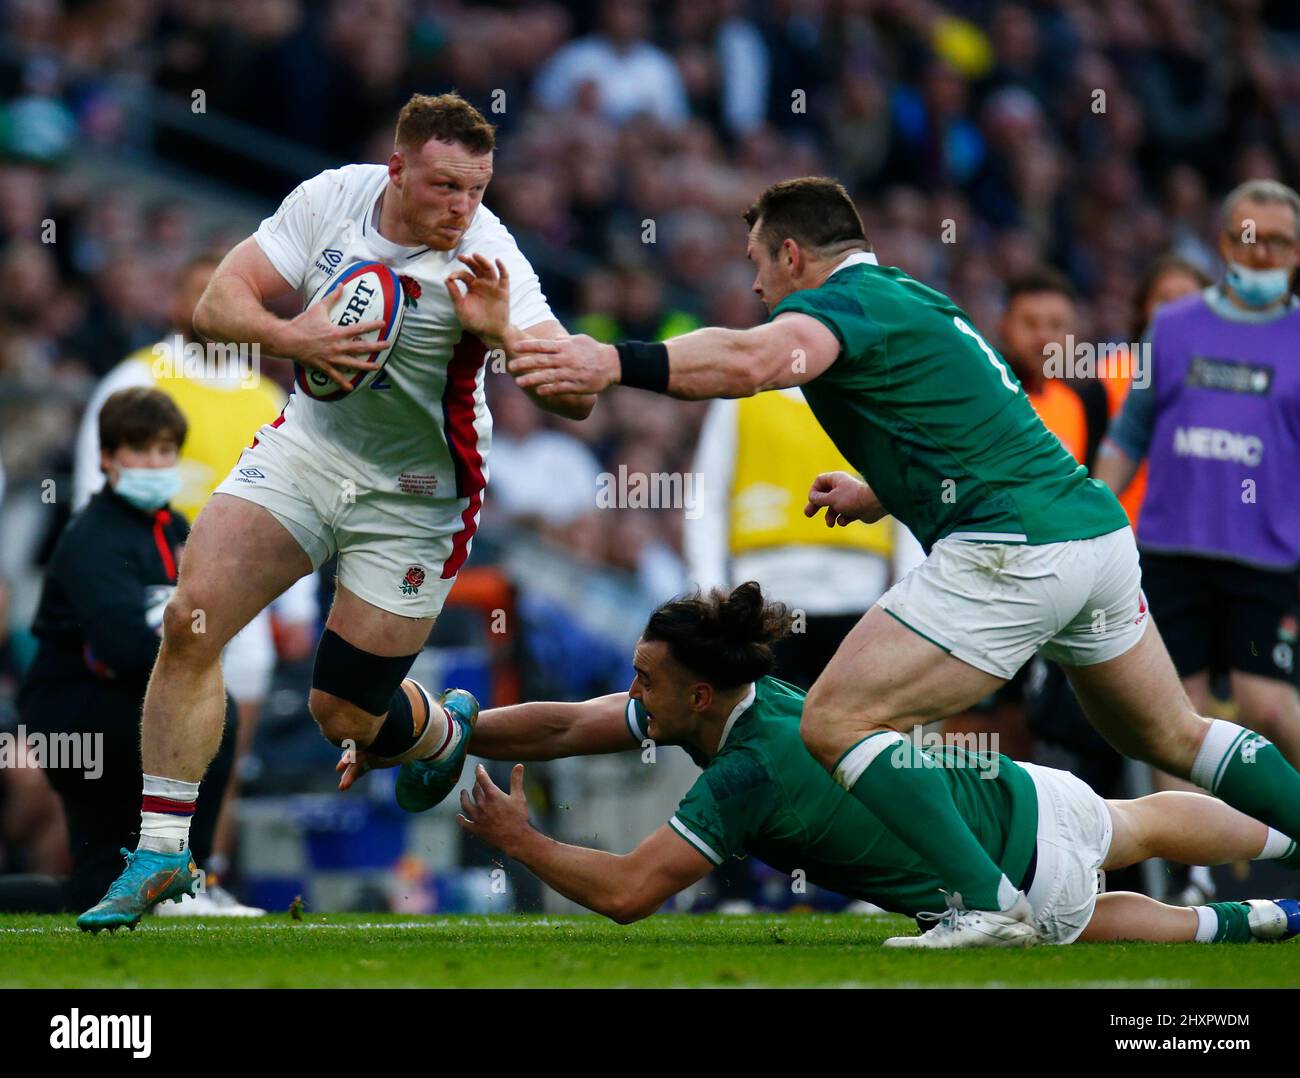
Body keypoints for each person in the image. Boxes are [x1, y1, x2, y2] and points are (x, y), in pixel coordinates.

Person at [499, 175, 1300, 947]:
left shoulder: (836, 305)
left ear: (791, 255)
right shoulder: (918, 298)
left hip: (1011, 549)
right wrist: (882, 492)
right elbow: (977, 429)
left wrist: (612, 362)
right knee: (1174, 733)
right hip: (1092, 536)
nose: (753, 286)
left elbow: (749, 363)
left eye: (754, 264)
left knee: (837, 720)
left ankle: (983, 906)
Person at [75, 91, 595, 932]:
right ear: (396, 168)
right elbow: (218, 305)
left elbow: (575, 403)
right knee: (189, 621)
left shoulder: (491, 257)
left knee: (341, 715)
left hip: (418, 497)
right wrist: (299, 338)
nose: (461, 207)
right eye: (443, 187)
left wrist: (504, 336)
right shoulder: (331, 199)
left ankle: (438, 732)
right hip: (308, 452)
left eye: (476, 189)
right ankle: (162, 854)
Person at [341, 583, 1300, 948]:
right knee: (1132, 826)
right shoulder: (752, 704)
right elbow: (560, 728)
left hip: (1001, 884)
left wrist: (523, 839)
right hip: (1020, 795)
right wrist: (433, 728)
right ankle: (1280, 863)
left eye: (644, 676)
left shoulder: (747, 771)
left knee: (1103, 921)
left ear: (700, 698)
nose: (629, 690)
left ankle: (1257, 918)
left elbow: (633, 892)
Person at [17, 388, 236, 914]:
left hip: (121, 704)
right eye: (140, 450)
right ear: (109, 458)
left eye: (166, 451)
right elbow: (120, 647)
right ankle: (180, 881)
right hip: (81, 717)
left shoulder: (173, 529)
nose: (155, 463)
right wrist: (189, 655)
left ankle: (189, 877)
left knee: (93, 888)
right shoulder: (93, 537)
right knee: (203, 717)